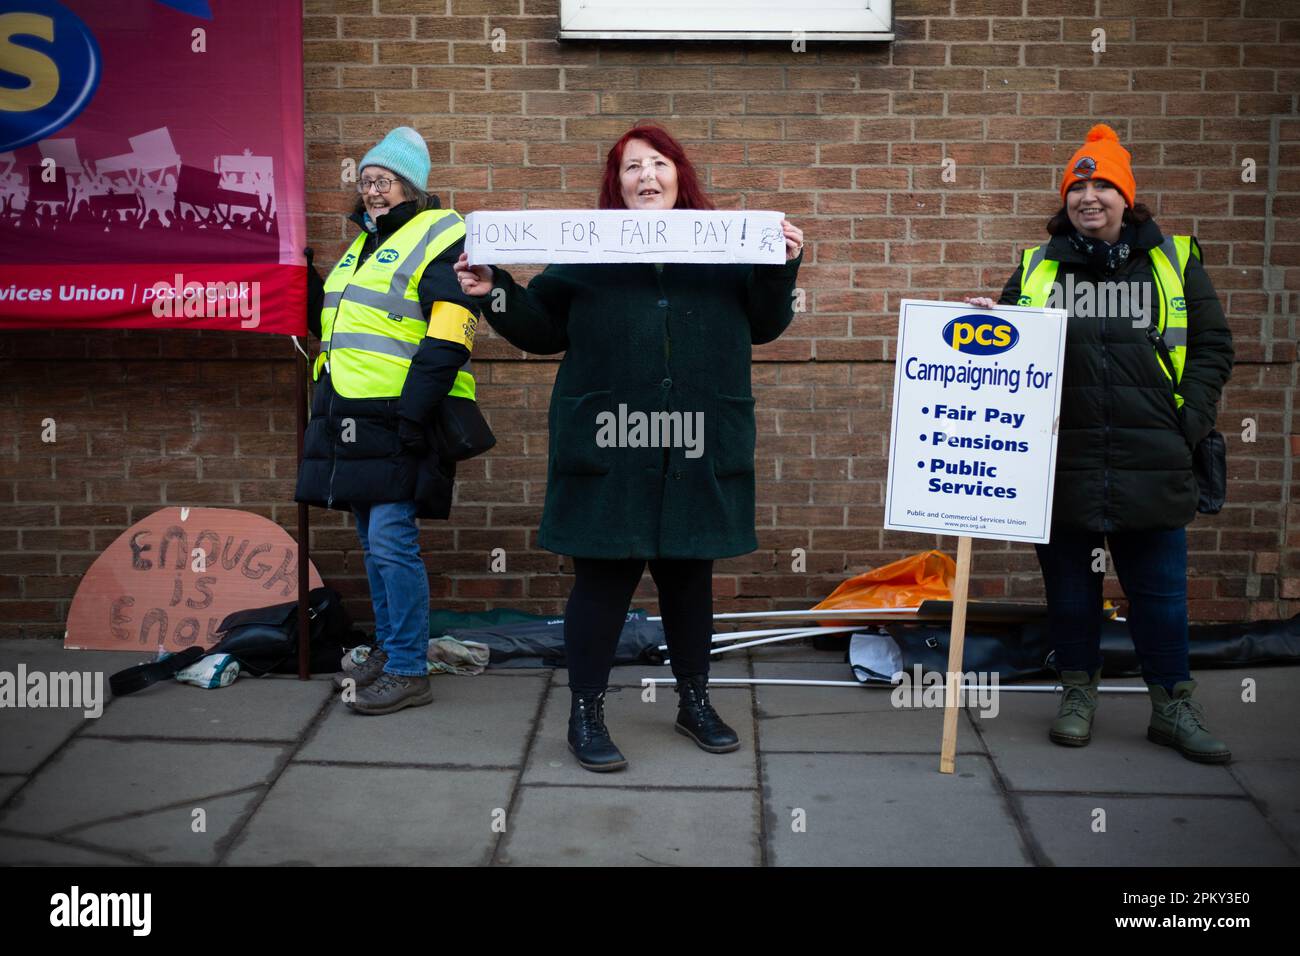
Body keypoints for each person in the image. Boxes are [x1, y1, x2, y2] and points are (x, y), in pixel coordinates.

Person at [455, 124, 804, 772]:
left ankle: (694, 701)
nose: (646, 176)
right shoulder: (591, 252)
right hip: (611, 447)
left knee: (690, 579)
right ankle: (585, 712)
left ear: (680, 175)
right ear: (616, 186)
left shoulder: (727, 247)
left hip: (696, 447)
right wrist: (493, 290)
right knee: (603, 582)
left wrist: (783, 262)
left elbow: (765, 322)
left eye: (658, 164)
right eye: (630, 168)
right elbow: (541, 327)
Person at [966, 124, 1234, 763]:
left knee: (1161, 596)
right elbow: (1007, 354)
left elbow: (1213, 348)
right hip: (1063, 464)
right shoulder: (1039, 266)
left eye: (1103, 184)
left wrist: (1186, 423)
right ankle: (1077, 695)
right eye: (1078, 186)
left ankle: (1172, 706)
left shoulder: (1174, 261)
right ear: (1066, 201)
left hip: (1155, 460)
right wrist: (983, 324)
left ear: (1127, 196)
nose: (1090, 197)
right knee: (1072, 591)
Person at [295, 127, 483, 715]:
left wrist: (412, 413)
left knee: (391, 543)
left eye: (384, 181)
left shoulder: (440, 233)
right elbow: (345, 326)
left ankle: (406, 667)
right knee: (372, 545)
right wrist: (302, 279)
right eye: (367, 180)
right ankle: (388, 649)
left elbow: (451, 332)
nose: (372, 191)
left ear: (412, 186)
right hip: (351, 416)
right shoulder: (365, 245)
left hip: (402, 416)